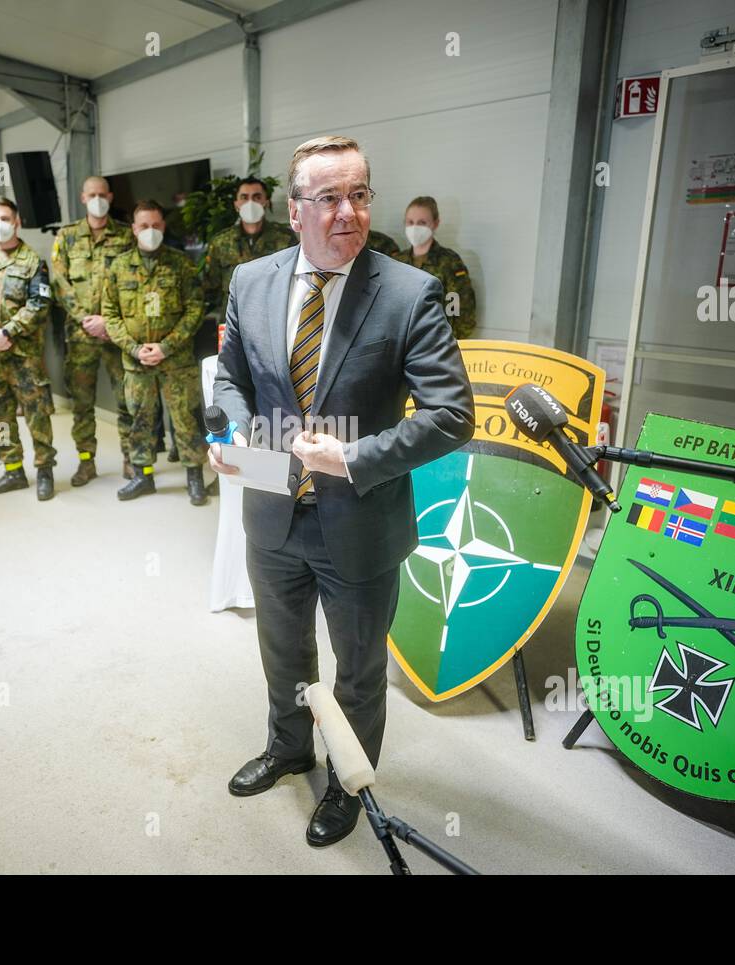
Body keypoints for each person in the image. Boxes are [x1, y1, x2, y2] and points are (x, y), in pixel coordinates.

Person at [211, 136, 473, 846]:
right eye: (329, 198)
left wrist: (352, 456)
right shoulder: (251, 281)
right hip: (270, 504)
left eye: (359, 194)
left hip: (358, 518)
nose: (348, 212)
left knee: (358, 668)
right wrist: (235, 431)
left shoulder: (408, 292)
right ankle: (290, 747)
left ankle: (347, 779)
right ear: (295, 211)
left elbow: (453, 415)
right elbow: (230, 376)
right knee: (283, 649)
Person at [103, 201, 208, 506]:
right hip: (136, 362)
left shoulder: (182, 264)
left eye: (156, 225)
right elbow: (110, 314)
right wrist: (135, 349)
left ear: (163, 226)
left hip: (175, 359)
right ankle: (143, 476)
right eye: (144, 226)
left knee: (185, 418)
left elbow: (194, 309)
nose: (150, 231)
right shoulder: (118, 267)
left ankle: (194, 478)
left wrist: (166, 346)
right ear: (134, 229)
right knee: (141, 421)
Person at [0, 196, 57, 501]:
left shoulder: (32, 260)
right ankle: (13, 470)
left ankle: (45, 470)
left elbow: (40, 302)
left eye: (5, 218)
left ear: (16, 222)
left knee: (37, 415)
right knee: (0, 416)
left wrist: (8, 331)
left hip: (25, 355)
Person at [50, 176, 135, 485]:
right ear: (83, 198)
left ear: (110, 197)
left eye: (102, 194)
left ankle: (130, 458)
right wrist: (88, 318)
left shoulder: (126, 236)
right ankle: (86, 461)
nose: (98, 198)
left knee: (126, 400)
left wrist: (108, 322)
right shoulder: (67, 236)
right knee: (81, 403)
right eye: (92, 194)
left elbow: (132, 283)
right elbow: (60, 283)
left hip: (117, 334)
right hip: (81, 335)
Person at [201, 177, 295, 320]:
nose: (250, 203)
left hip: (273, 320)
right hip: (233, 322)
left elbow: (295, 282)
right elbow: (211, 287)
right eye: (244, 197)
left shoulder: (285, 239)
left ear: (266, 202)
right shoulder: (220, 242)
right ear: (236, 204)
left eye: (257, 197)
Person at [393, 196, 477, 339]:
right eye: (410, 222)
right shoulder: (396, 262)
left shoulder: (449, 262)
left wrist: (449, 347)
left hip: (436, 347)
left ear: (435, 224)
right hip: (401, 345)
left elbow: (462, 313)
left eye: (422, 222)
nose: (415, 227)